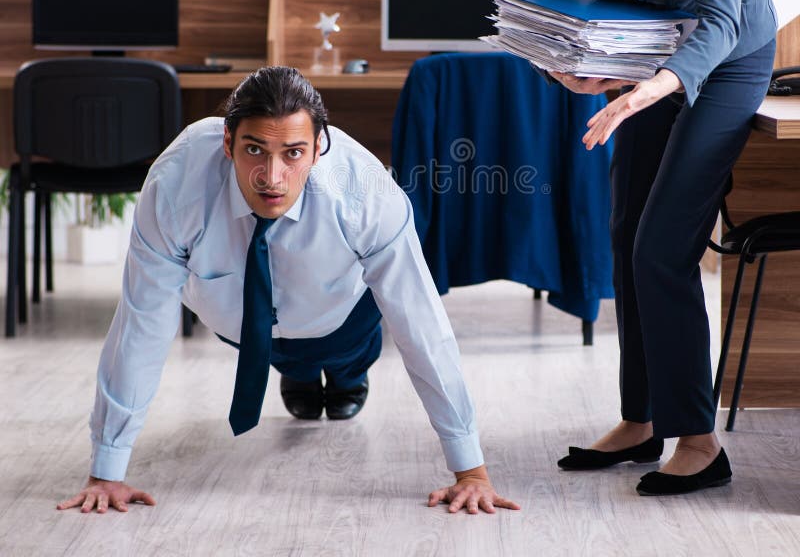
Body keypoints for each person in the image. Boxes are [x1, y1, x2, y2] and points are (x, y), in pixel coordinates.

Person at [57, 66, 519, 516]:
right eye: (255, 149)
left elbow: (420, 323)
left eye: (293, 153)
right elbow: (141, 324)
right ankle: (294, 371)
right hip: (239, 321)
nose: (271, 177)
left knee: (345, 360)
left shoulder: (363, 195)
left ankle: (347, 373)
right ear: (227, 142)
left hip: (339, 315)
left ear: (319, 148)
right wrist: (106, 470)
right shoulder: (176, 187)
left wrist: (470, 470)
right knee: (285, 359)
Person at [530, 0, 777, 495]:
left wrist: (656, 85)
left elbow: (722, 21)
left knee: (663, 244)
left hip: (725, 59)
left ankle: (699, 440)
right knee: (626, 230)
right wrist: (565, 66)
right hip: (640, 61)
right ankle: (641, 420)